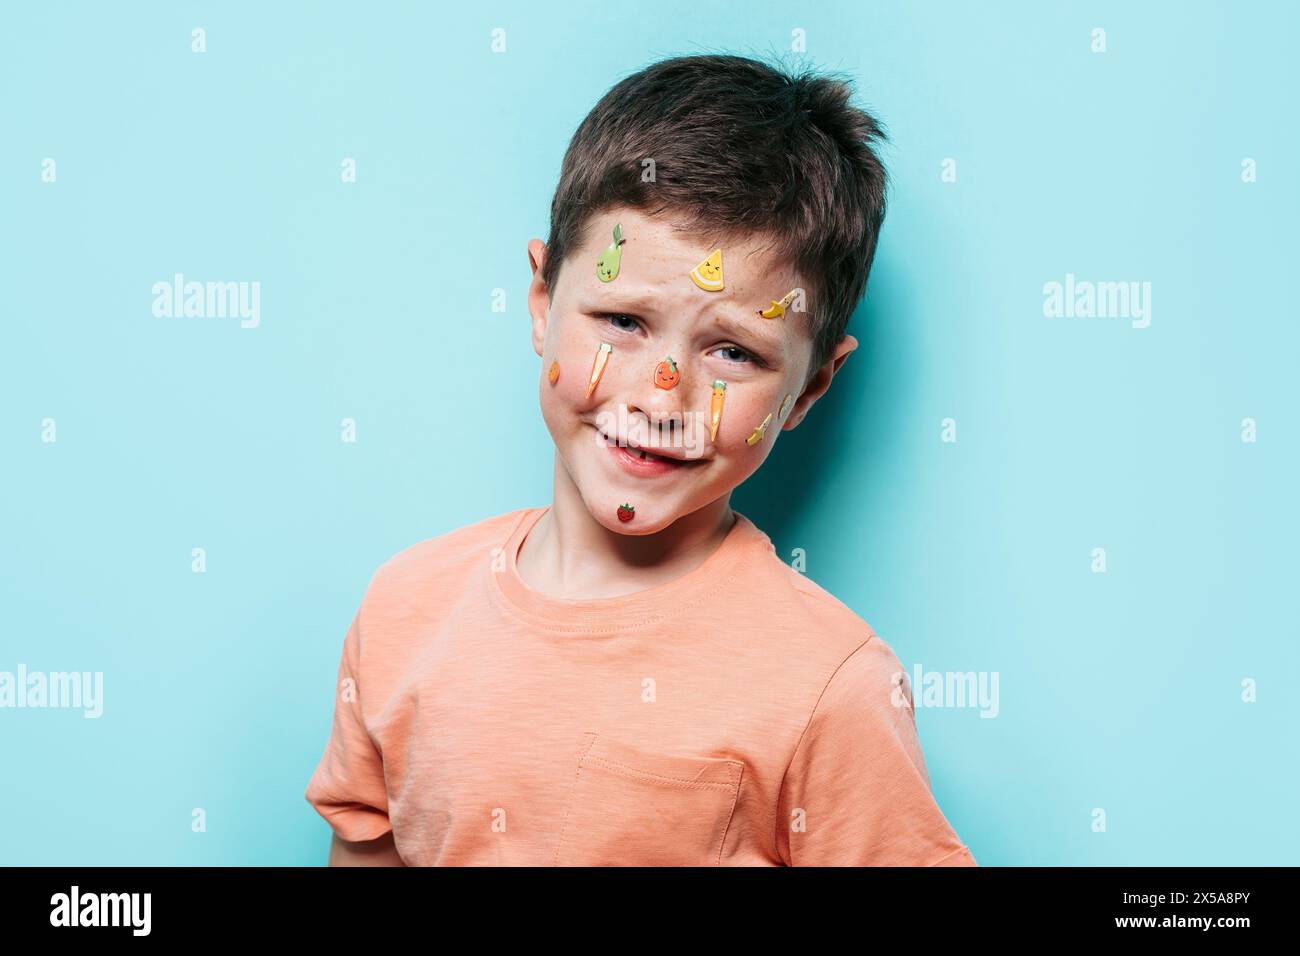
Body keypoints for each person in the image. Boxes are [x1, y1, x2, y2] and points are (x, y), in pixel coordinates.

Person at [305, 53, 977, 867]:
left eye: (733, 351)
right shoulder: (404, 609)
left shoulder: (831, 687)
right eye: (622, 321)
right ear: (543, 303)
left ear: (810, 387)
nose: (662, 401)